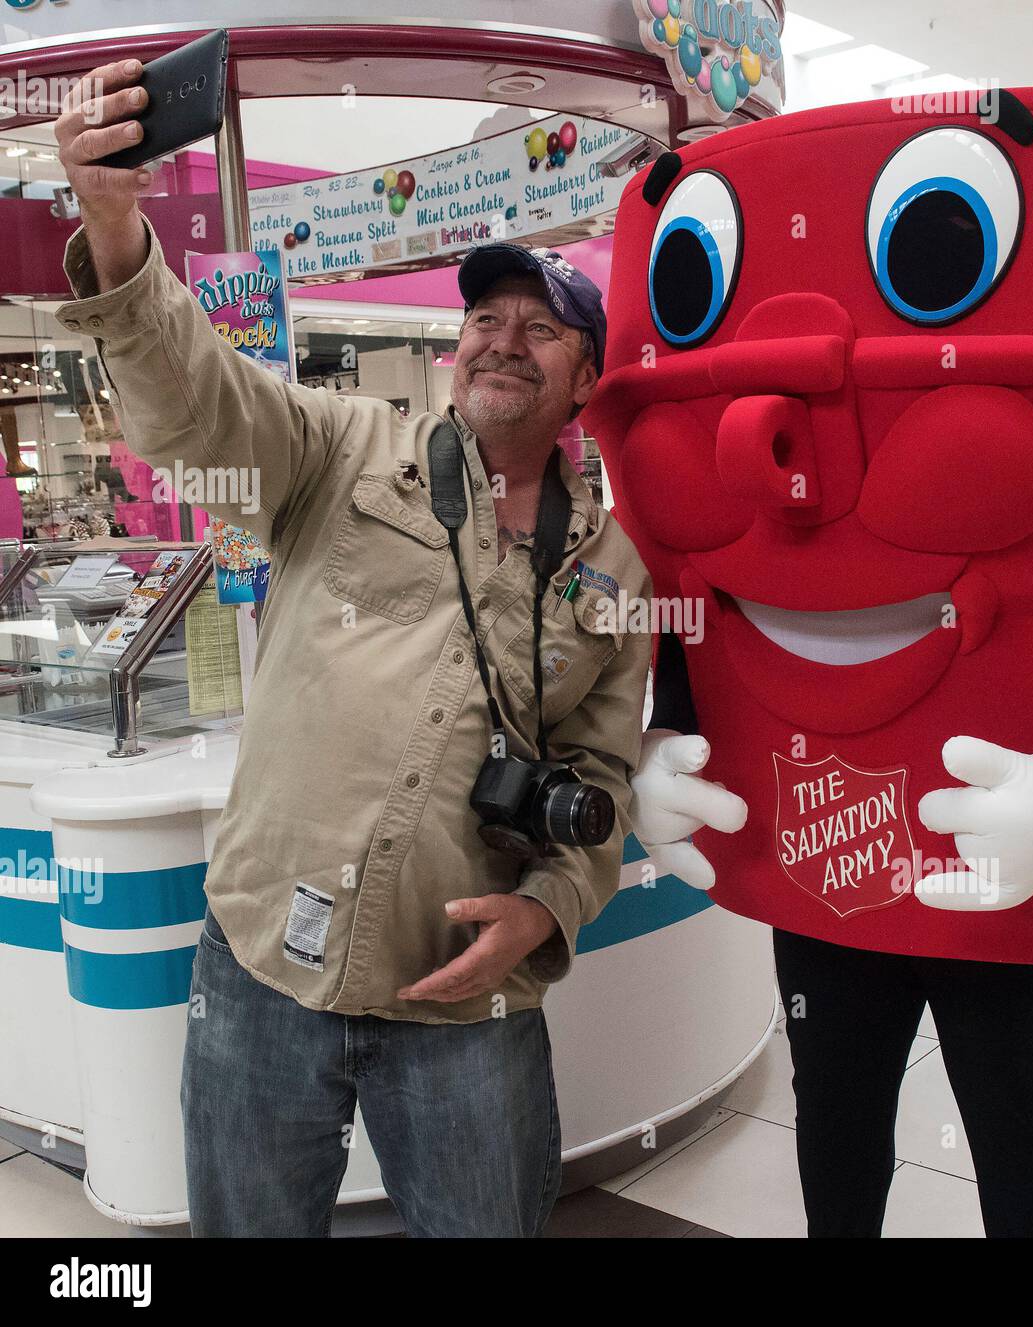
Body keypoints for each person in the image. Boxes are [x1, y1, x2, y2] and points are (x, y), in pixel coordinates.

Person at [53, 58, 653, 1238]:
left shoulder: (618, 566)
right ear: (452, 342)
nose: (502, 341)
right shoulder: (342, 446)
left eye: (542, 328)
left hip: (462, 989)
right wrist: (114, 221)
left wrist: (547, 909)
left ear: (587, 377)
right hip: (263, 959)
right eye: (485, 317)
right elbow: (197, 406)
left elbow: (601, 773)